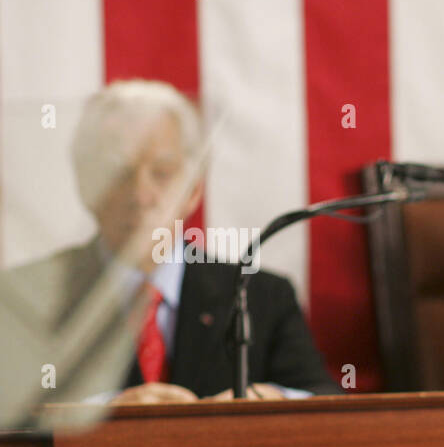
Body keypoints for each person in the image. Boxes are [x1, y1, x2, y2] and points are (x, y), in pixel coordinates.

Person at [5, 80, 339, 407]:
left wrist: (273, 400)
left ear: (193, 190)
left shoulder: (260, 295)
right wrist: (105, 410)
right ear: (85, 183)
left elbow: (325, 399)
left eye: (162, 173)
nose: (141, 195)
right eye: (118, 172)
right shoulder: (24, 297)